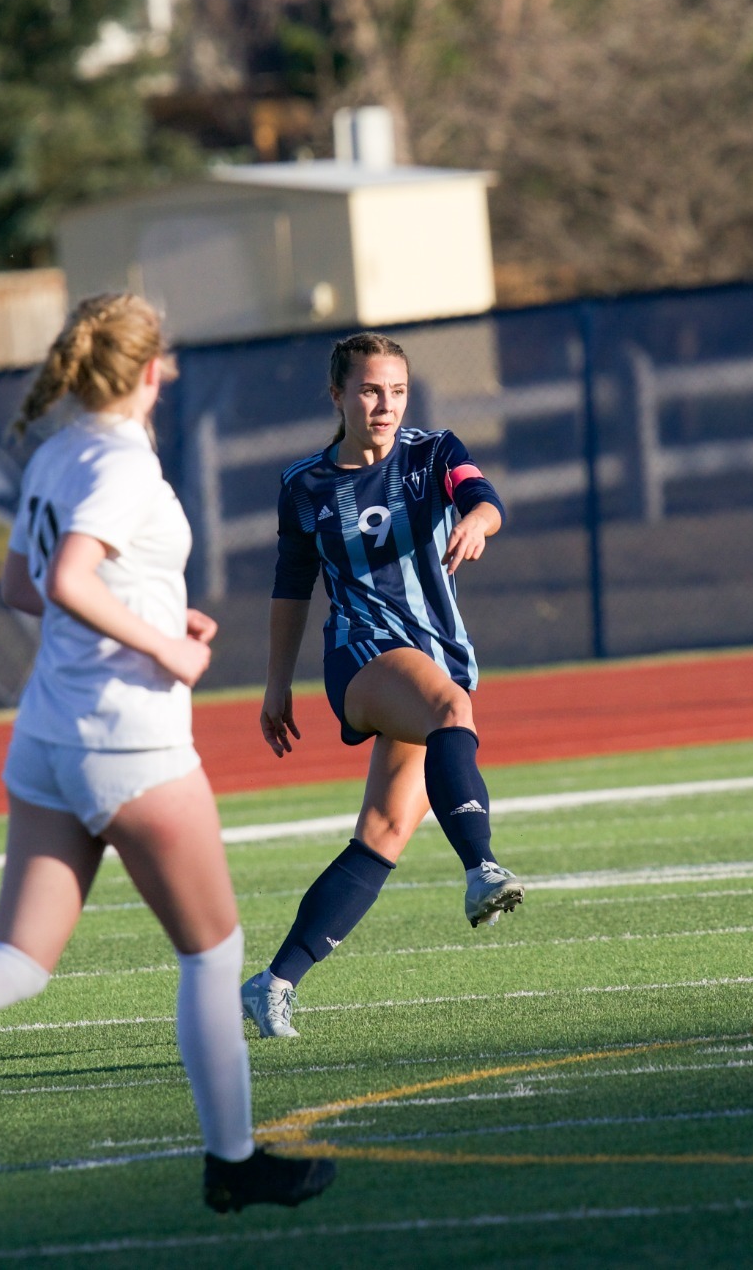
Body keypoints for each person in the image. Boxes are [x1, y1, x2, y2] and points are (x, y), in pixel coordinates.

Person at [0, 294, 335, 1219]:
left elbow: (20, 583)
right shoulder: (124, 462)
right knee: (215, 952)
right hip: (129, 739)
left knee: (16, 956)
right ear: (151, 370)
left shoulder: (56, 453)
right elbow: (65, 578)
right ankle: (233, 1159)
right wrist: (167, 650)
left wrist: (161, 617)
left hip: (47, 736)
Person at [241, 332, 519, 1040]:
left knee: (386, 830)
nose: (385, 404)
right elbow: (290, 589)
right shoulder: (306, 486)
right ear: (337, 396)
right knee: (450, 708)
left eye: (395, 389)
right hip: (362, 658)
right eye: (368, 390)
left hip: (435, 654)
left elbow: (482, 497)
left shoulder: (434, 453)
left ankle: (272, 982)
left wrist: (480, 523)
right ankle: (481, 865)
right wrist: (277, 684)